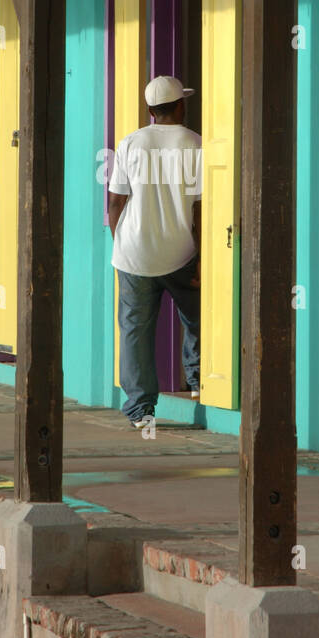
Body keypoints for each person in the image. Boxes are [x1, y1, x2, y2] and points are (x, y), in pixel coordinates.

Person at [108, 75, 202, 429]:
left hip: (133, 251)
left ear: (150, 110)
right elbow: (199, 209)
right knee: (197, 317)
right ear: (181, 105)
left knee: (135, 331)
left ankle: (140, 411)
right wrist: (205, 258)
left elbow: (116, 201)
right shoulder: (195, 144)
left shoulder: (130, 142)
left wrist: (121, 242)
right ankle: (197, 383)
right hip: (181, 249)